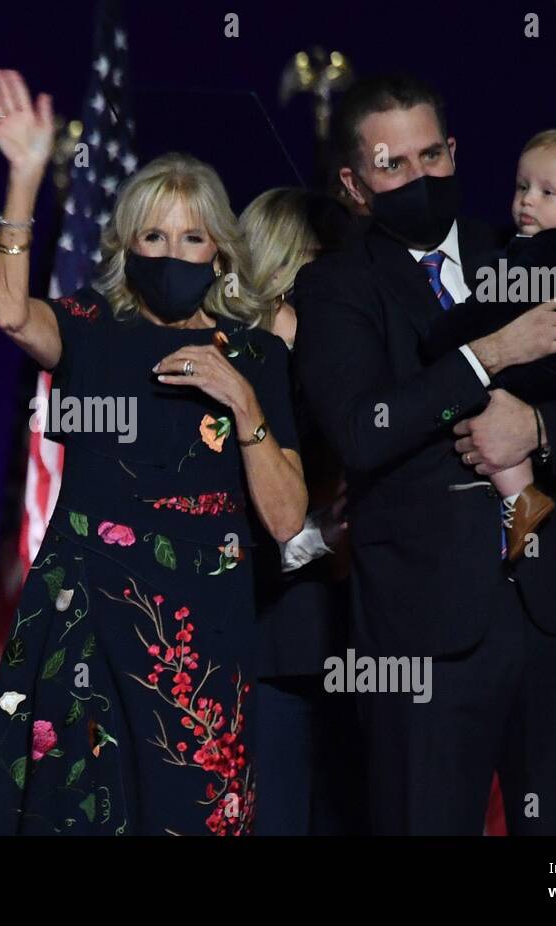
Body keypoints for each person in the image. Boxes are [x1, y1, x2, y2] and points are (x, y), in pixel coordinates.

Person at [297, 74, 556, 834]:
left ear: (454, 152)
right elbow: (364, 431)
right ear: (354, 183)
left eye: (431, 155)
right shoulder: (334, 288)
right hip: (423, 639)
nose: (418, 176)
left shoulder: (539, 246)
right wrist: (491, 353)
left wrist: (536, 429)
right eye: (392, 164)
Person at [0, 69, 306, 835]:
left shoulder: (256, 354)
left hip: (202, 628)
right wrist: (24, 177)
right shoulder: (88, 325)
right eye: (153, 236)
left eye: (191, 238)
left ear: (220, 252)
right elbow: (11, 313)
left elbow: (288, 521)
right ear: (126, 246)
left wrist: (242, 402)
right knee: (77, 808)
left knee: (189, 813)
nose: (172, 253)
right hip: (86, 609)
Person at [420, 128, 556, 589]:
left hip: (548, 368)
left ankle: (521, 497)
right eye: (523, 187)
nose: (528, 201)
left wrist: (445, 339)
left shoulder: (546, 251)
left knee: (487, 398)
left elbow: (490, 308)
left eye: (547, 193)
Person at [240, 187, 367, 834]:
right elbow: (225, 538)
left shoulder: (348, 368)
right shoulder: (232, 380)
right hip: (274, 652)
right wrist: (322, 534)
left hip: (364, 651)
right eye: (327, 261)